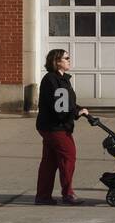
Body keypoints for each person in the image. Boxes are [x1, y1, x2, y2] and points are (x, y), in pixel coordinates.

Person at [35, 48, 88, 205]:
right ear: (57, 62)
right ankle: (68, 194)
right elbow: (60, 108)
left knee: (50, 162)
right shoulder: (52, 80)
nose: (69, 60)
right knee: (68, 156)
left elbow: (67, 103)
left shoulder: (62, 79)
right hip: (55, 127)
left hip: (52, 125)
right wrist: (76, 114)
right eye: (66, 58)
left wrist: (79, 109)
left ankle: (43, 196)